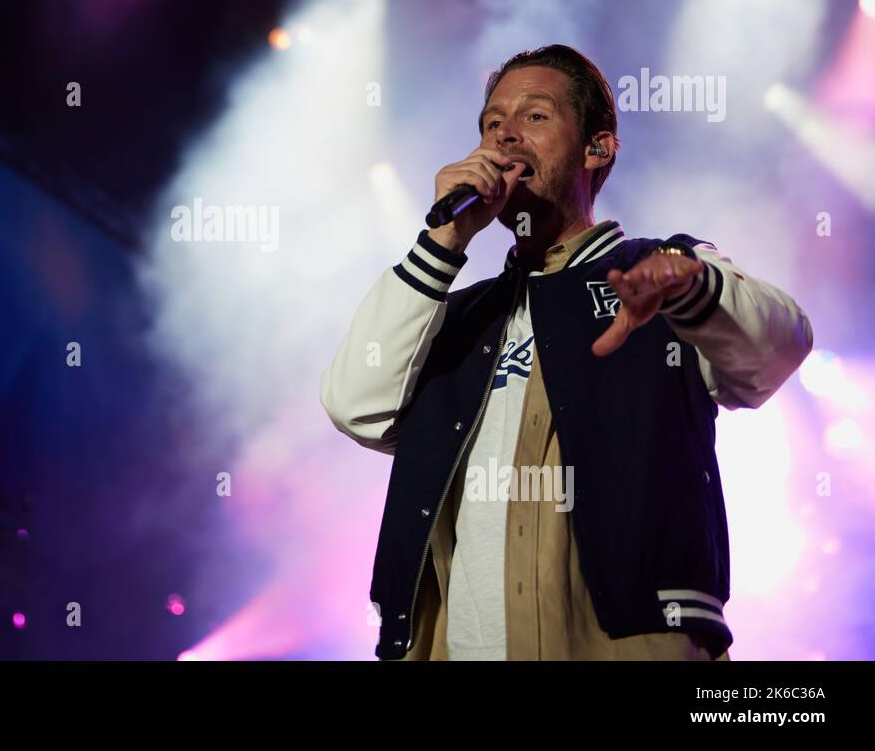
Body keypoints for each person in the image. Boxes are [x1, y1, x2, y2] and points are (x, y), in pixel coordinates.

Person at [319, 44, 813, 661]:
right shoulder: (457, 315)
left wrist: (690, 289)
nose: (505, 136)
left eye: (534, 117)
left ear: (597, 148)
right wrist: (441, 241)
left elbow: (781, 347)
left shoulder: (659, 274)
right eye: (492, 122)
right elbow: (356, 406)